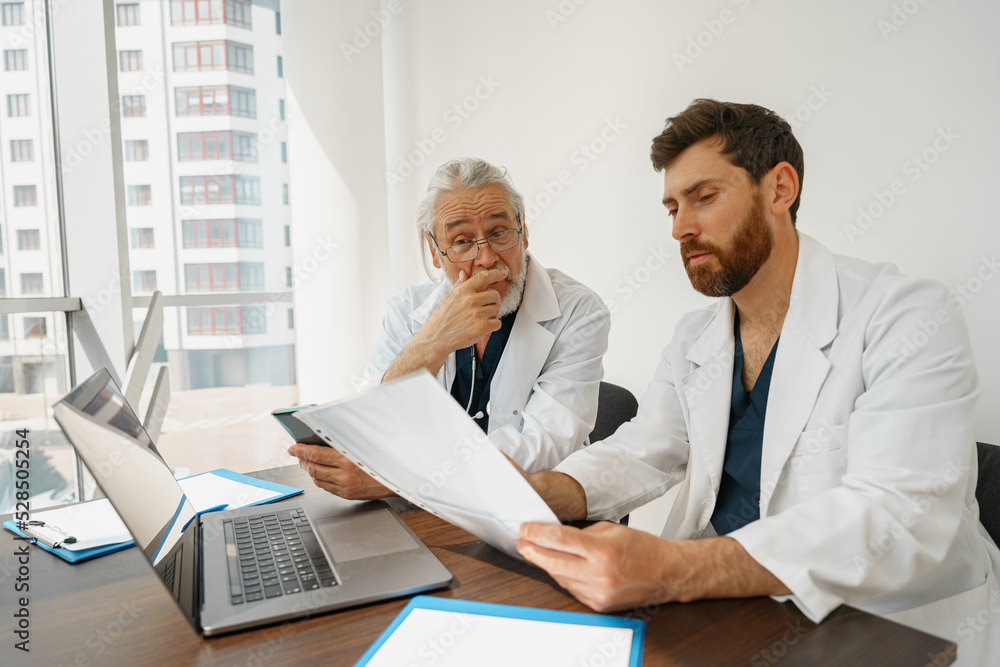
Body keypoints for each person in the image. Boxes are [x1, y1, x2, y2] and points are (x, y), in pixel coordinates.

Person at [516, 99, 999, 664]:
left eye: (704, 197)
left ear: (779, 189)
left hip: (883, 625)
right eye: (672, 206)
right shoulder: (695, 336)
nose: (679, 227)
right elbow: (644, 450)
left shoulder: (906, 316)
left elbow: (897, 515)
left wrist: (672, 568)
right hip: (727, 611)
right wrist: (544, 491)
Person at [289, 157, 611, 499]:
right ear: (435, 251)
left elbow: (543, 448)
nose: (486, 259)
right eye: (461, 241)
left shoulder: (579, 311)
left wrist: (395, 479)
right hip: (431, 510)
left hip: (533, 510)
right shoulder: (406, 311)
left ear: (524, 232)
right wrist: (434, 341)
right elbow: (373, 426)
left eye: (499, 233)